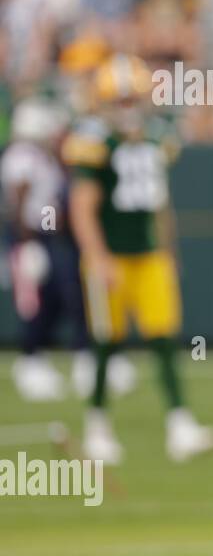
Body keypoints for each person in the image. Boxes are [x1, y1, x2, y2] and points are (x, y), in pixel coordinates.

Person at [63, 54, 213, 464]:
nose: (129, 108)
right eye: (121, 100)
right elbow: (82, 207)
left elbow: (160, 203)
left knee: (164, 338)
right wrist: (97, 257)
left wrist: (170, 249)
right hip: (111, 256)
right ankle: (97, 427)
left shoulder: (157, 138)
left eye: (134, 99)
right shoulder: (95, 143)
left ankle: (179, 425)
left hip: (150, 256)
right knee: (104, 344)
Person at [1, 98, 92, 400]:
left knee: (58, 295)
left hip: (46, 234)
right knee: (35, 300)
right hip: (30, 236)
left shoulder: (43, 157)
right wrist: (26, 242)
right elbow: (19, 201)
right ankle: (30, 360)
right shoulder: (22, 155)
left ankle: (39, 358)